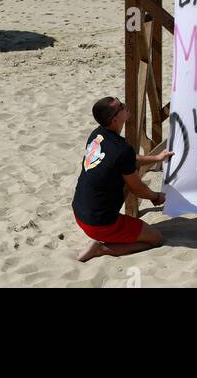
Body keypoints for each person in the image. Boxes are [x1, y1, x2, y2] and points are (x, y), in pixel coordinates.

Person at [72, 96, 172, 262]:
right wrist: (156, 197)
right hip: (99, 223)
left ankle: (104, 239)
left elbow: (129, 159)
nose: (126, 106)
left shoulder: (97, 134)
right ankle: (100, 249)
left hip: (80, 212)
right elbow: (138, 189)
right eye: (121, 106)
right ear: (115, 119)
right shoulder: (121, 149)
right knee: (156, 239)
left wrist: (156, 158)